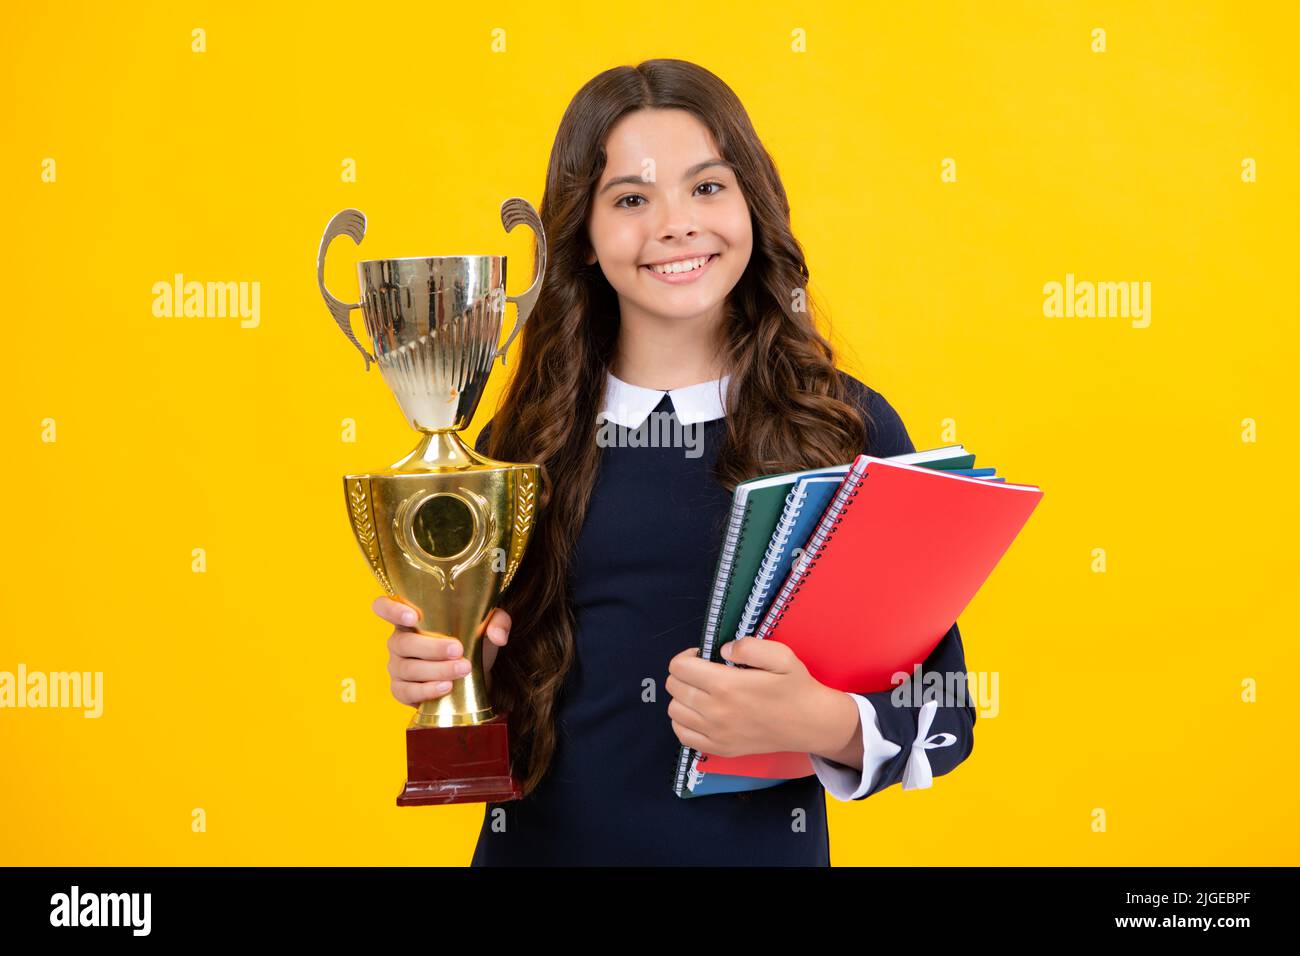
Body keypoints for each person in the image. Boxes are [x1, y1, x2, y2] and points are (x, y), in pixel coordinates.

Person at [374, 58, 975, 866]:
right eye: (630, 199)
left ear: (752, 204)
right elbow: (506, 694)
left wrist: (818, 723)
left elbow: (946, 715)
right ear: (582, 238)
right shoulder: (525, 437)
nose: (675, 224)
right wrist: (451, 665)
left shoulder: (844, 428)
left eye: (707, 187)